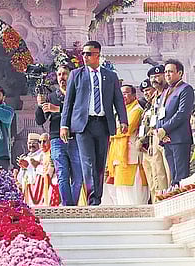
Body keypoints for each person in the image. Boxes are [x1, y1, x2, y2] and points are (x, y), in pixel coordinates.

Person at [60, 40, 129, 206]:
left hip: (103, 123)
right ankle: (92, 199)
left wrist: (123, 120)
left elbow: (118, 99)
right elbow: (68, 102)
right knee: (88, 161)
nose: (85, 56)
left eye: (89, 53)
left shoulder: (110, 76)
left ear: (98, 55)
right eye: (84, 53)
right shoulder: (77, 74)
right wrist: (64, 125)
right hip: (83, 125)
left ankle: (97, 196)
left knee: (100, 162)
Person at [37, 64, 79, 205]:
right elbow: (40, 120)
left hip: (76, 138)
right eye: (60, 74)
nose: (62, 77)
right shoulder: (52, 96)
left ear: (71, 75)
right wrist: (40, 105)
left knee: (78, 177)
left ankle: (73, 206)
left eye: (65, 74)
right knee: (62, 174)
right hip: (56, 139)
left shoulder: (78, 94)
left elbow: (80, 114)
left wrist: (58, 109)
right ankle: (68, 206)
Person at [105, 83, 149, 205]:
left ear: (134, 95)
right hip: (118, 155)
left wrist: (110, 132)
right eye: (121, 94)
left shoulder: (136, 109)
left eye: (126, 93)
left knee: (133, 188)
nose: (123, 96)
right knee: (120, 189)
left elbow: (127, 129)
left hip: (131, 156)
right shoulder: (120, 112)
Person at [158, 58, 194, 189]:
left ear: (180, 73)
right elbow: (160, 114)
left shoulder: (186, 89)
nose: (167, 74)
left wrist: (165, 129)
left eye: (171, 72)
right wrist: (159, 131)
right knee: (173, 175)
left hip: (179, 138)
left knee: (181, 175)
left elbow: (182, 113)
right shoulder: (165, 91)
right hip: (166, 138)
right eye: (166, 72)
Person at [140, 69, 171, 200]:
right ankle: (158, 201)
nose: (154, 80)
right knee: (156, 174)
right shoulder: (154, 100)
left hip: (165, 136)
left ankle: (168, 199)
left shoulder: (169, 93)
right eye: (152, 77)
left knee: (167, 173)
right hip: (153, 139)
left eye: (158, 76)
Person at [17, 133, 59, 207]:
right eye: (29, 143)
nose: (31, 145)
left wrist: (34, 166)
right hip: (28, 191)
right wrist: (23, 169)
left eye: (34, 143)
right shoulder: (25, 157)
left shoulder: (44, 154)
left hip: (42, 190)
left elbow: (48, 173)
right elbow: (21, 179)